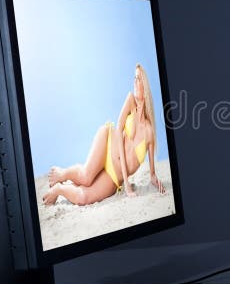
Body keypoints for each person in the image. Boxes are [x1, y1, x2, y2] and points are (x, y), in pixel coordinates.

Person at [43, 63, 165, 205]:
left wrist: (160, 186)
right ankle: (63, 173)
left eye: (138, 78)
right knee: (86, 177)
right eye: (134, 77)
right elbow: (119, 132)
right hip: (108, 142)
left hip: (114, 176)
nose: (134, 81)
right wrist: (126, 184)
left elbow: (152, 175)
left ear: (145, 85)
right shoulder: (130, 100)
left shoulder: (149, 132)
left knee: (84, 198)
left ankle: (60, 189)